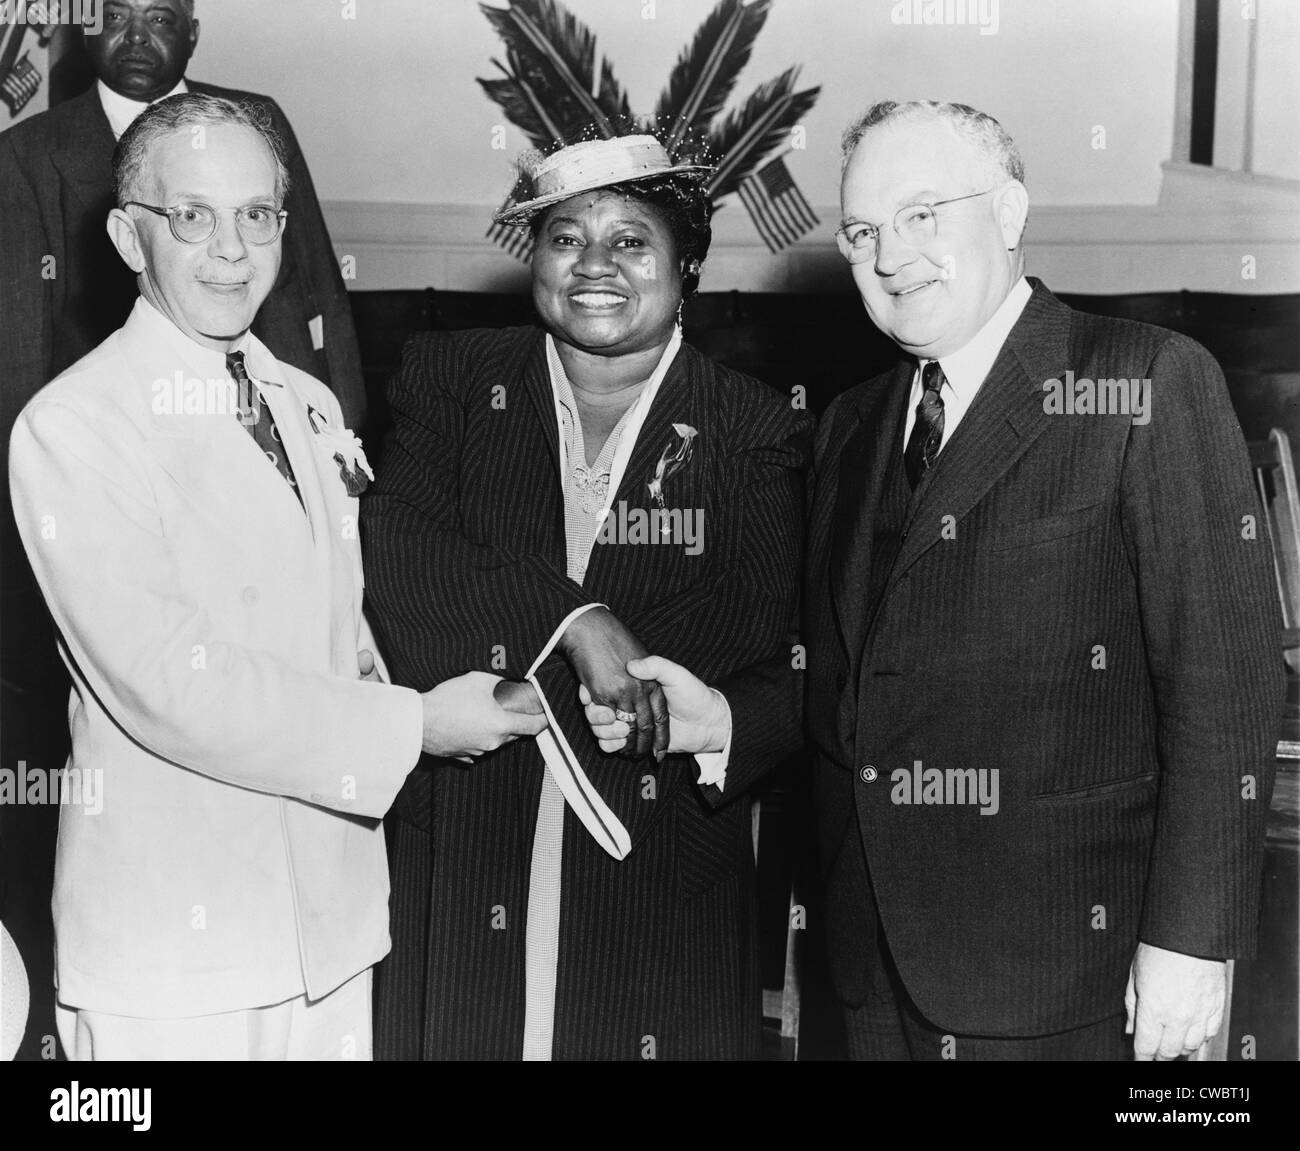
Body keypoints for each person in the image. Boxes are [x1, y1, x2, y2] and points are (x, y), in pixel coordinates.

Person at [7, 92, 543, 1061]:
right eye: (191, 215)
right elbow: (170, 681)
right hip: (175, 941)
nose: (229, 250)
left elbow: (339, 625)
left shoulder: (304, 399)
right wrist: (414, 726)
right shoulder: (74, 424)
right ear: (131, 237)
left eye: (256, 215)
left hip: (329, 922)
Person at [800, 99, 1281, 1060]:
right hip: (868, 969)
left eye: (924, 213)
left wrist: (1191, 940)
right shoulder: (851, 423)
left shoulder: (1142, 379)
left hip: (1067, 974)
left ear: (1011, 215)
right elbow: (842, 683)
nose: (892, 255)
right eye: (862, 232)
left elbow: (1224, 681)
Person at [362, 134, 811, 1060]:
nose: (595, 265)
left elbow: (753, 618)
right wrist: (577, 624)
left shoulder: (753, 425)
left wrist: (539, 688)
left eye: (631, 242)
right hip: (466, 838)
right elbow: (401, 559)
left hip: (656, 851)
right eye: (566, 238)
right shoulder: (451, 380)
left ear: (686, 264)